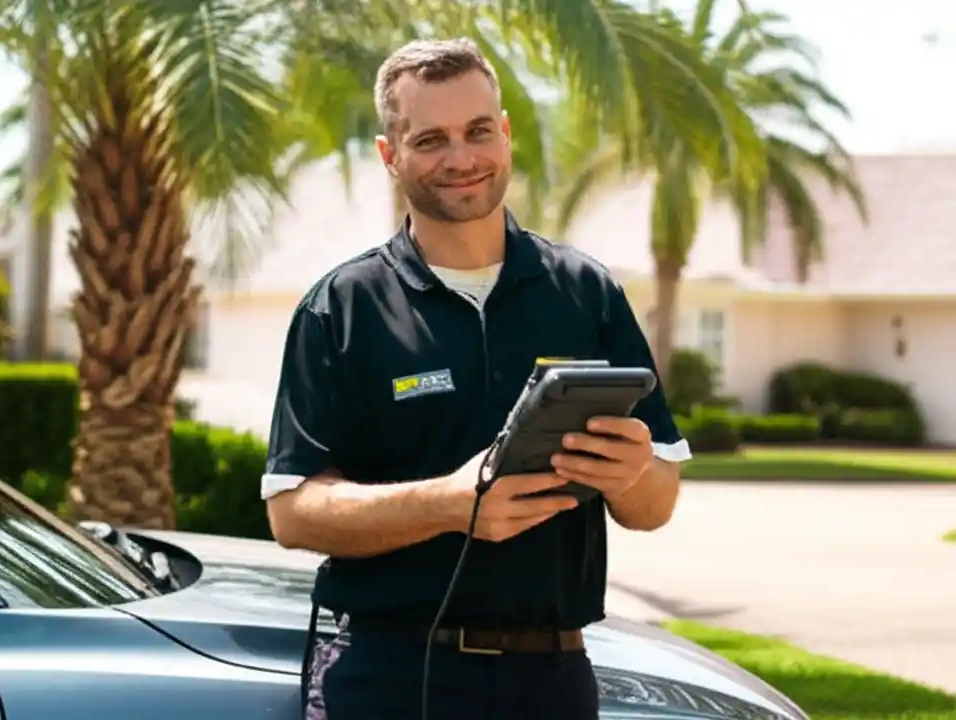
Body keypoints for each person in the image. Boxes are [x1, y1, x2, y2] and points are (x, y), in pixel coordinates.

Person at [261, 37, 692, 720]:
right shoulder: (341, 307)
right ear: (389, 154)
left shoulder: (586, 292)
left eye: (478, 131)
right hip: (389, 675)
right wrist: (448, 504)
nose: (461, 159)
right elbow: (291, 511)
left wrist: (632, 470)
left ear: (506, 134)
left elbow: (654, 506)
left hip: (553, 678)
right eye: (430, 139)